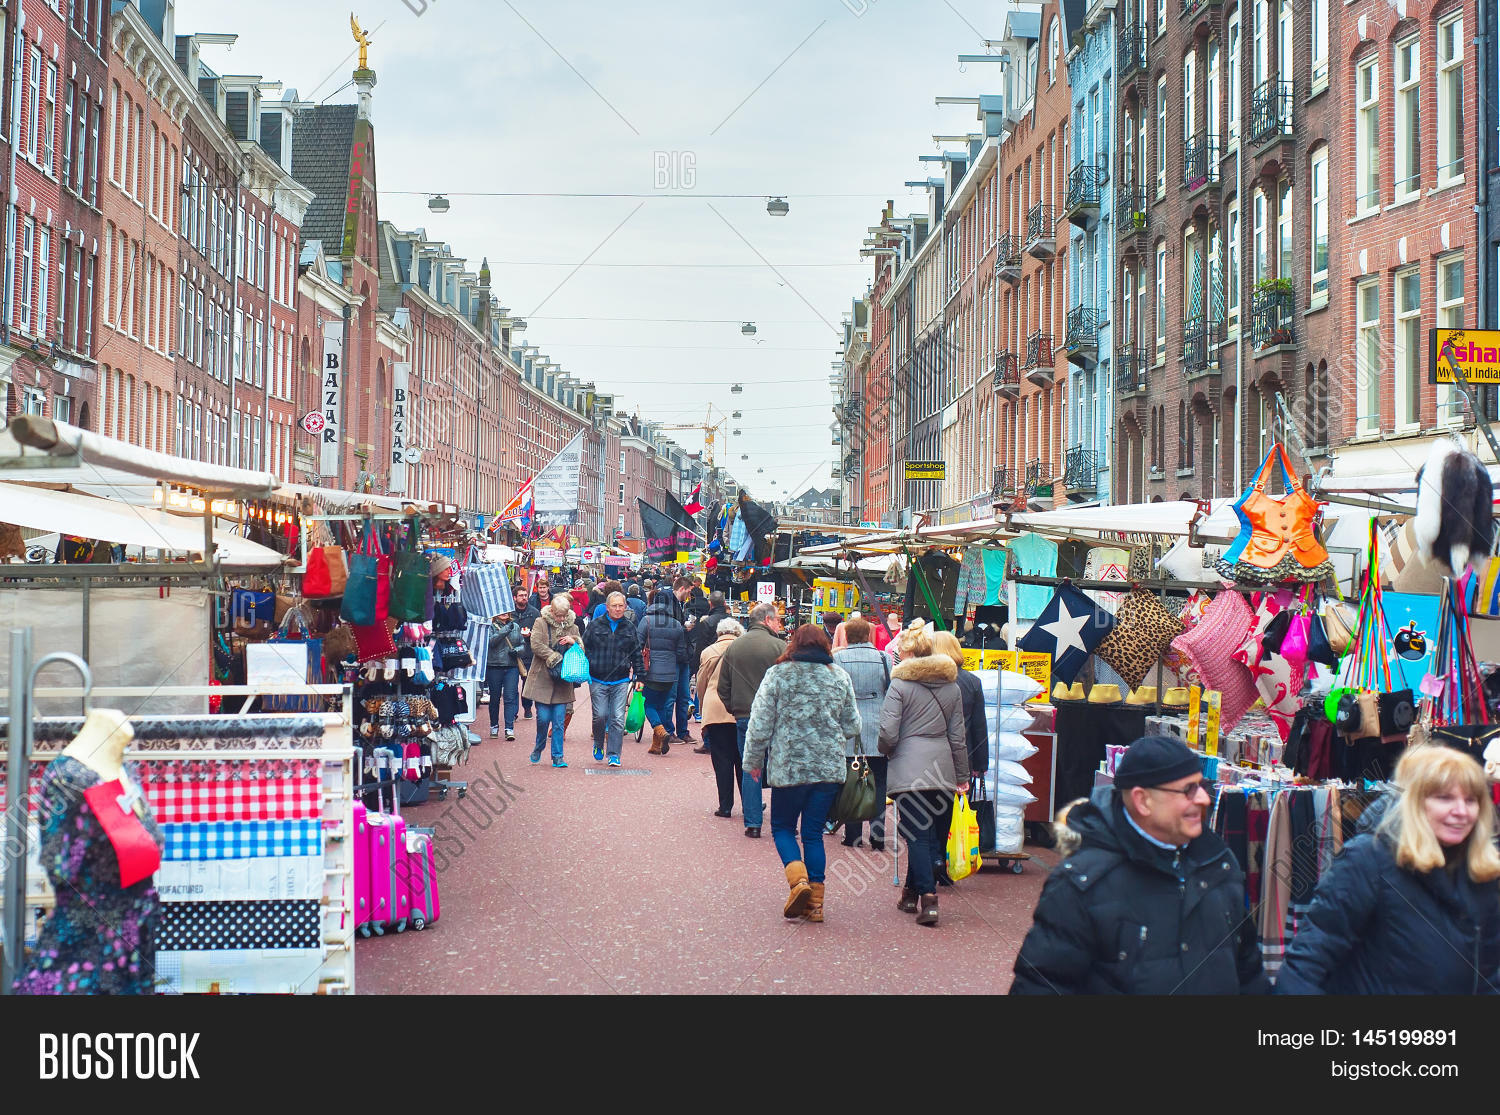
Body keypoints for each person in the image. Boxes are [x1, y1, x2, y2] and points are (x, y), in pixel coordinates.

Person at [1010, 735, 1267, 994]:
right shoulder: (1080, 885)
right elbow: (1040, 986)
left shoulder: (1218, 863)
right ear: (1143, 800)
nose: (1203, 799)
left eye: (1201, 786)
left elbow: (1249, 973)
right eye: (1188, 790)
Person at [1277, 746, 1500, 994]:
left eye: (1470, 800)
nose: (1461, 811)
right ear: (1415, 803)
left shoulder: (1483, 871)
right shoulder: (1368, 860)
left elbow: (1490, 974)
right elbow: (1305, 967)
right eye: (1444, 798)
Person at [742, 625, 862, 924]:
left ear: (793, 644)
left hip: (789, 767)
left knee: (782, 828)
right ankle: (816, 905)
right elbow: (853, 726)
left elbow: (759, 723)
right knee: (813, 833)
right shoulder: (839, 677)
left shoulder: (779, 675)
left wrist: (754, 761)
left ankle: (798, 883)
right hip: (827, 769)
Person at [877, 623, 969, 927]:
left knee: (916, 834)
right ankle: (909, 894)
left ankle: (928, 899)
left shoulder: (900, 685)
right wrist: (962, 774)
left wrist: (886, 751)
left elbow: (888, 732)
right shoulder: (951, 686)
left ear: (907, 653)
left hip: (909, 766)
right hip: (942, 766)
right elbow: (958, 737)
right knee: (930, 836)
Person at [716, 602, 787, 838]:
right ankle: (782, 822)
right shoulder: (779, 646)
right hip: (776, 716)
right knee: (779, 768)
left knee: (751, 769)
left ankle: (753, 823)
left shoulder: (735, 647)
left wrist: (734, 708)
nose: (779, 624)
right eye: (777, 620)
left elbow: (723, 685)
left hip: (745, 715)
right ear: (767, 620)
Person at [931, 630, 989, 884]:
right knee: (947, 813)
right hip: (959, 755)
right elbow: (979, 726)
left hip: (927, 755)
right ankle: (943, 864)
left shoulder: (926, 679)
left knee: (924, 813)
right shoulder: (972, 682)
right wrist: (980, 763)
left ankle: (929, 860)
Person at [832, 615, 891, 850]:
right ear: (869, 635)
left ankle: (853, 834)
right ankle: (878, 835)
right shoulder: (883, 658)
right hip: (877, 726)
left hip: (849, 728)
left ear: (847, 635)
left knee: (851, 781)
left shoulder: (838, 658)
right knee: (879, 782)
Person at [582, 591, 646, 767]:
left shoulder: (629, 627)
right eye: (614, 606)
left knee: (618, 718)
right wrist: (588, 666)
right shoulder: (595, 625)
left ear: (625, 607)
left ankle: (614, 754)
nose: (618, 609)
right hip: (597, 678)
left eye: (621, 606)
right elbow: (584, 648)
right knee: (600, 716)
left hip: (621, 679)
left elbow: (637, 654)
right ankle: (598, 743)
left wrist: (640, 676)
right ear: (607, 607)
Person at [520, 594, 580, 768]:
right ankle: (539, 746)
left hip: (563, 679)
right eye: (557, 615)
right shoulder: (540, 622)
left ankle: (558, 756)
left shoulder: (573, 626)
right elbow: (536, 644)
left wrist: (573, 641)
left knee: (559, 721)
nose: (561, 618)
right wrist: (553, 656)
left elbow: (581, 647)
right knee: (543, 718)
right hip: (543, 678)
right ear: (551, 611)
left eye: (563, 615)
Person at [695, 617, 745, 817]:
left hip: (716, 709)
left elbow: (701, 684)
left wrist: (702, 707)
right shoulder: (745, 651)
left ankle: (725, 806)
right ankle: (751, 803)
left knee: (722, 760)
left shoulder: (708, 652)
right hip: (741, 709)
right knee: (743, 760)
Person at [637, 588, 688, 754]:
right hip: (670, 674)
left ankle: (660, 730)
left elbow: (637, 646)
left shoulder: (646, 621)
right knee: (661, 706)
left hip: (651, 672)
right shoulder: (677, 625)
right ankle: (656, 745)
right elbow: (681, 653)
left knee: (648, 704)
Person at [687, 590, 731, 753]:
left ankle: (708, 741)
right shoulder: (732, 621)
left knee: (707, 702)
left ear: (710, 604)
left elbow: (700, 646)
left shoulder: (707, 622)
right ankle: (725, 739)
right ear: (725, 603)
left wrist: (695, 667)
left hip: (710, 664)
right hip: (729, 665)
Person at [485, 610, 526, 740]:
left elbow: (522, 645)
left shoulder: (516, 626)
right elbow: (491, 642)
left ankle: (509, 729)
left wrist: (517, 651)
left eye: (506, 611)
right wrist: (506, 629)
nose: (504, 613)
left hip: (511, 666)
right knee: (495, 698)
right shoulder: (490, 627)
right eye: (501, 611)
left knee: (510, 697)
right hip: (494, 665)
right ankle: (494, 726)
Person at [670, 576, 698, 744]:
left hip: (683, 656)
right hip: (673, 656)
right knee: (672, 696)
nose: (689, 595)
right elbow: (670, 627)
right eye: (688, 591)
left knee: (684, 696)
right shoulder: (670, 603)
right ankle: (669, 731)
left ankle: (682, 731)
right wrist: (683, 628)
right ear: (681, 588)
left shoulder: (680, 604)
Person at [515, 590, 542, 721]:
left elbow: (539, 632)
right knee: (512, 685)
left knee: (528, 683)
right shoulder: (510, 614)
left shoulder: (534, 612)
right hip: (513, 653)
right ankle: (513, 712)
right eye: (521, 595)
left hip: (529, 652)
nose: (524, 598)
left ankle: (527, 707)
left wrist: (531, 635)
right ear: (515, 598)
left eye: (525, 595)